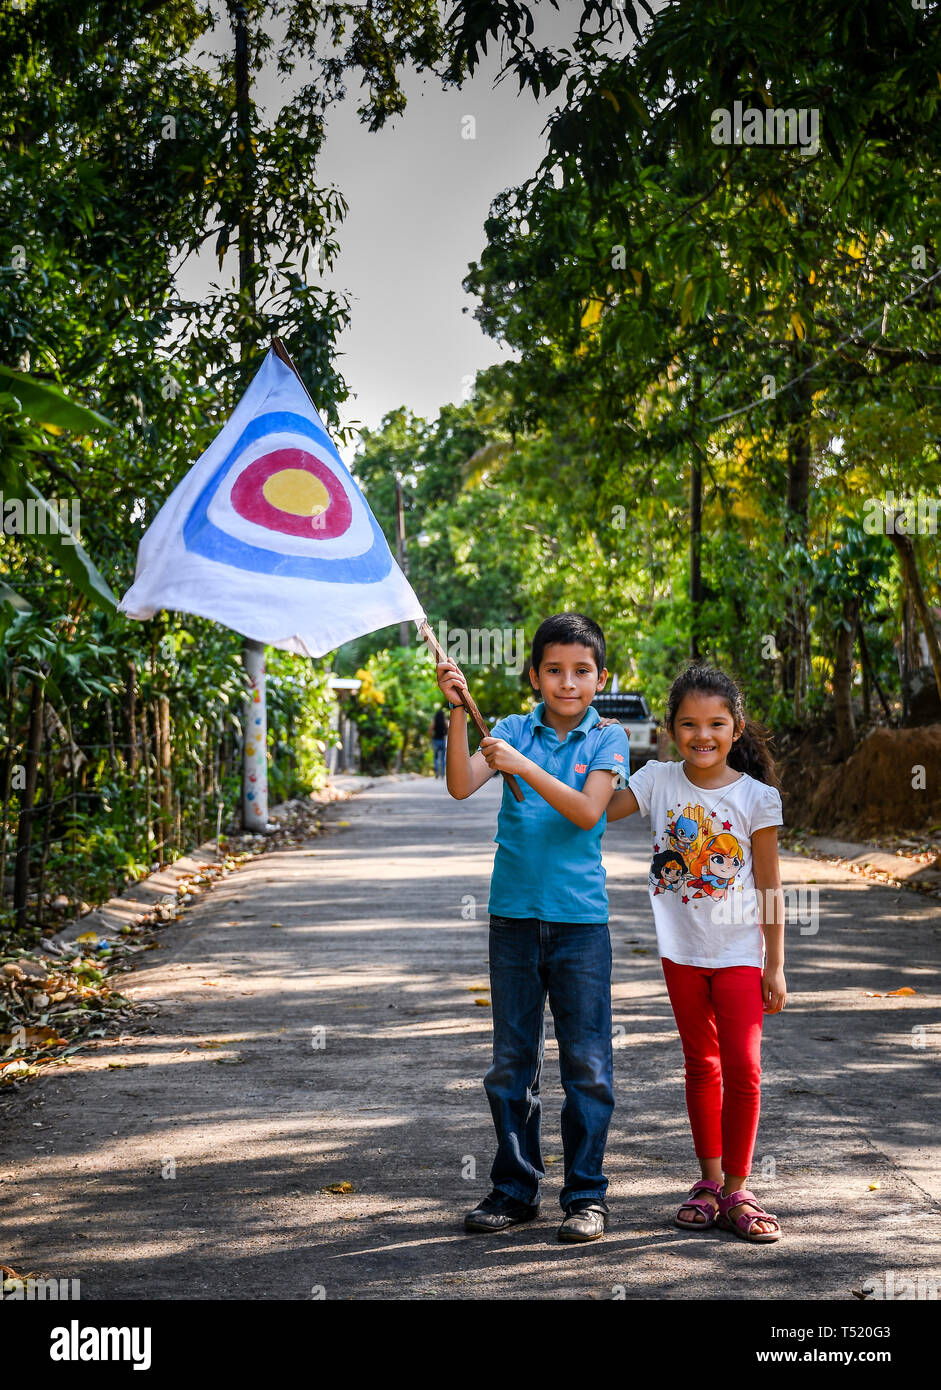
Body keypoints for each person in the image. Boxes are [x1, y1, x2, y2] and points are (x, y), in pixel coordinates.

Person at [437, 613, 630, 1243]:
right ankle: (515, 1189)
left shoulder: (608, 739)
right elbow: (462, 786)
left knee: (588, 1064)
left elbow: (586, 812)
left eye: (580, 671)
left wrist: (521, 765)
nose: (567, 683)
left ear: (599, 678)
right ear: (535, 676)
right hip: (513, 921)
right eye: (554, 670)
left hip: (580, 926)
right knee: (511, 1062)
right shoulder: (515, 728)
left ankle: (585, 1196)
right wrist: (459, 712)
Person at [606, 664, 786, 1243]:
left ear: (736, 729)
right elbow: (598, 809)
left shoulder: (758, 797)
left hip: (738, 953)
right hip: (680, 951)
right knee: (701, 1064)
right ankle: (709, 1184)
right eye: (688, 724)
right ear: (670, 729)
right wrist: (595, 738)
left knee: (744, 1068)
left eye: (716, 724)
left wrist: (775, 965)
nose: (701, 736)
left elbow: (770, 887)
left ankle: (739, 1189)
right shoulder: (657, 780)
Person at [429, 704, 448, 778]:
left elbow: (430, 730)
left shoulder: (434, 721)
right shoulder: (445, 721)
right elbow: (449, 730)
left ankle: (437, 772)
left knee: (436, 757)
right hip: (443, 740)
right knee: (442, 758)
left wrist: (431, 737)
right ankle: (443, 774)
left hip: (435, 740)